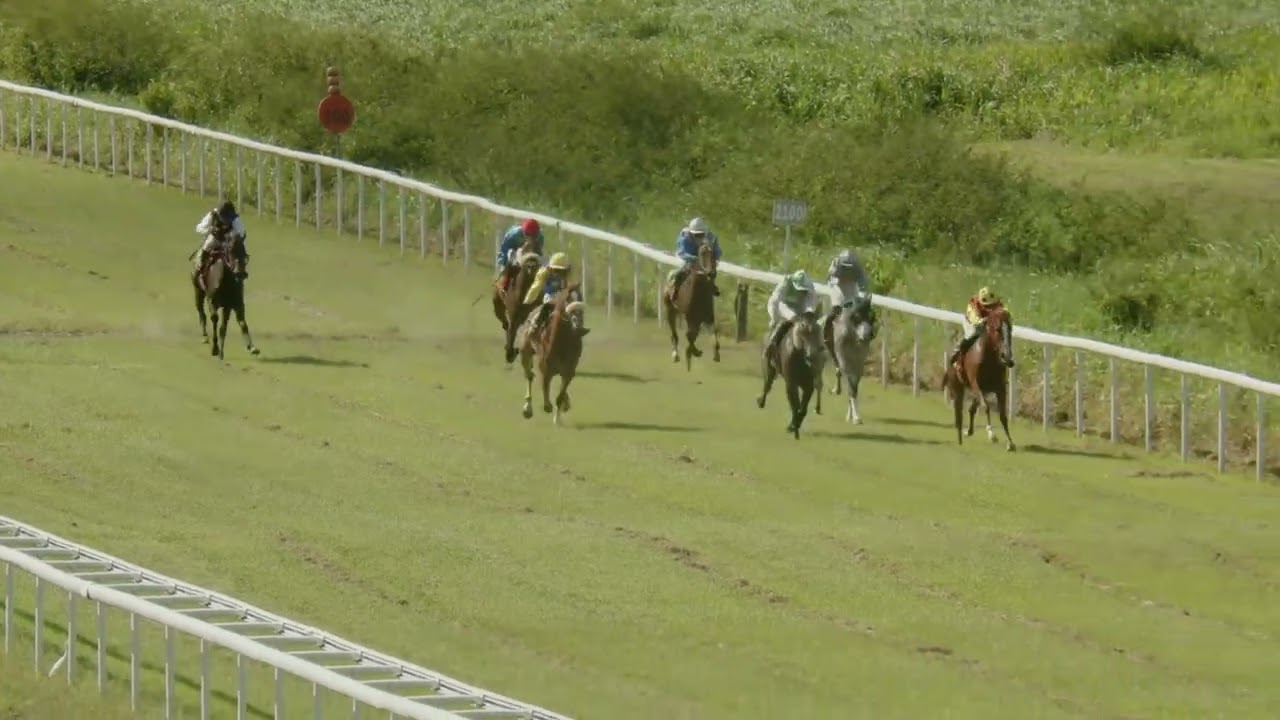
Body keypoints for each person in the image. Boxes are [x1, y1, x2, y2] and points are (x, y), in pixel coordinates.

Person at [948, 286, 1015, 368]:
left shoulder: (998, 303)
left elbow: (1005, 312)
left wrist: (1005, 317)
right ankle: (956, 354)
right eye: (987, 306)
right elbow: (976, 321)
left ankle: (1006, 355)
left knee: (1003, 332)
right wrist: (987, 319)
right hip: (972, 322)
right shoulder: (973, 305)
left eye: (992, 305)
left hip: (988, 322)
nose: (990, 308)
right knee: (973, 333)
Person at [522, 252, 584, 336]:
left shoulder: (569, 273)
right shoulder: (543, 272)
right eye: (556, 270)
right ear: (550, 268)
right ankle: (534, 326)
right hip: (550, 297)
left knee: (574, 305)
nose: (559, 273)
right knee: (544, 309)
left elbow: (573, 284)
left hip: (564, 296)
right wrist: (527, 301)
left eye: (562, 270)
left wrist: (572, 294)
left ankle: (578, 325)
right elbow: (535, 287)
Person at [764, 270, 820, 357]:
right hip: (780, 305)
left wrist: (809, 312)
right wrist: (789, 316)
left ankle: (819, 347)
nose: (802, 292)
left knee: (811, 325)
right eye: (800, 290)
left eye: (803, 291)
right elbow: (777, 302)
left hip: (799, 306)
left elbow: (812, 302)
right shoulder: (785, 283)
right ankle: (770, 346)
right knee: (779, 323)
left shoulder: (810, 285)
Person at [823, 249, 874, 340]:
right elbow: (831, 279)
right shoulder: (835, 263)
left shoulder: (857, 267)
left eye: (849, 267)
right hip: (837, 285)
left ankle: (866, 332)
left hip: (851, 286)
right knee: (837, 309)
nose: (847, 268)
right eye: (845, 266)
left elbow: (862, 282)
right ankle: (826, 333)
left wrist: (862, 294)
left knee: (859, 308)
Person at [666, 217, 722, 298]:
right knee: (682, 270)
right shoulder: (684, 237)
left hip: (704, 260)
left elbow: (718, 251)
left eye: (701, 234)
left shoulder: (711, 237)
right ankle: (675, 287)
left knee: (712, 270)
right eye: (696, 235)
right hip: (687, 258)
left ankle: (712, 284)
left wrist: (714, 257)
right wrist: (695, 259)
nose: (699, 237)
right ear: (691, 233)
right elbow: (682, 253)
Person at [192, 201, 248, 277]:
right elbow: (199, 228)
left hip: (229, 241)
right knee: (209, 243)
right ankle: (200, 267)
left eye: (229, 218)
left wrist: (241, 251)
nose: (226, 222)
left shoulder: (236, 220)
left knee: (237, 247)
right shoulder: (212, 215)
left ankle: (241, 271)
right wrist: (210, 229)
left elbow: (242, 234)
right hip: (215, 238)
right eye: (225, 218)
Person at [495, 218, 545, 290]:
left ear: (537, 234)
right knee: (508, 261)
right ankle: (502, 285)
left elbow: (539, 252)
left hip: (530, 253)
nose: (530, 238)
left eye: (534, 235)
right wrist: (503, 264)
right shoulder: (513, 234)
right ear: (523, 231)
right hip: (513, 251)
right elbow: (504, 250)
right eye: (527, 234)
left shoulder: (540, 237)